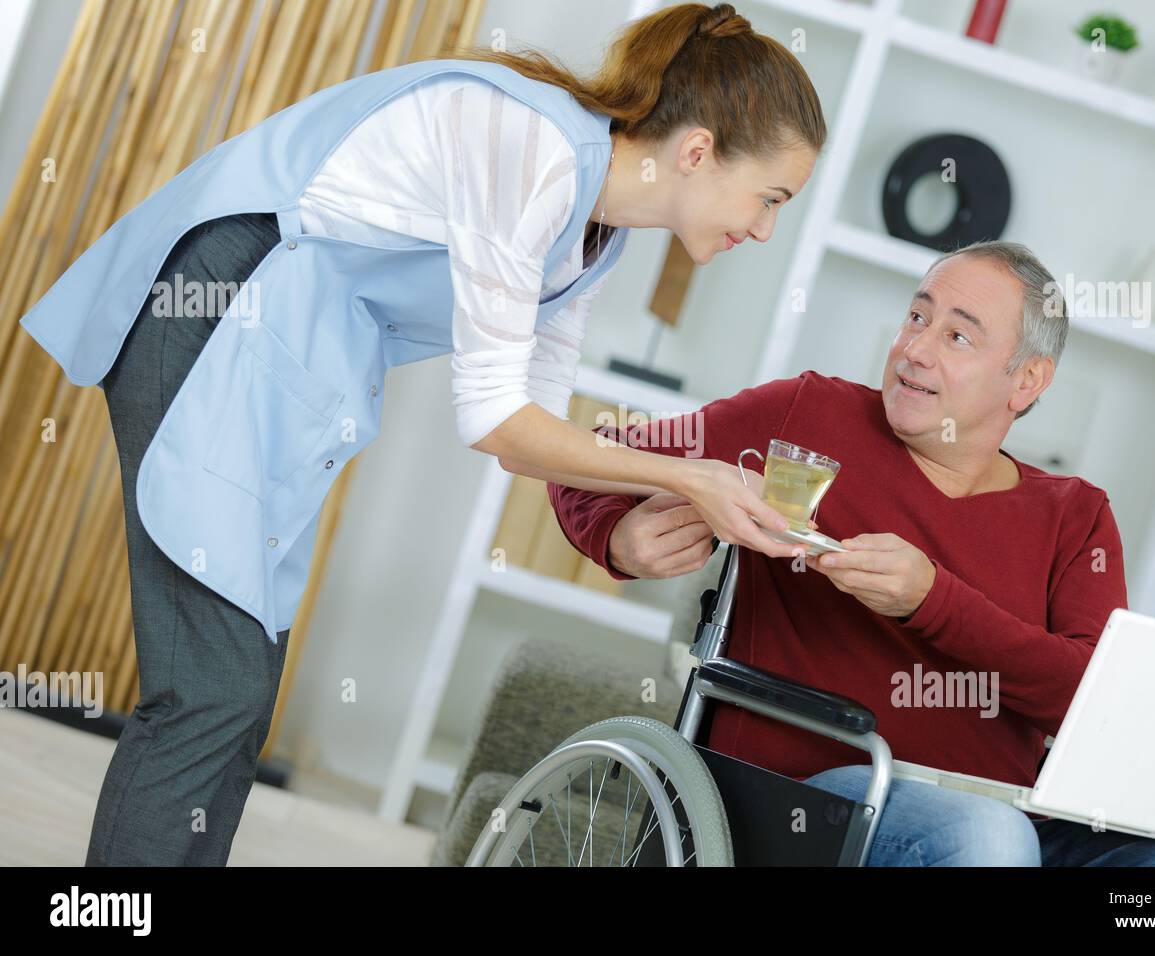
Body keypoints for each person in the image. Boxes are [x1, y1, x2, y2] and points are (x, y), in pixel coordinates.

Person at [18, 2, 824, 865]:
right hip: (217, 311)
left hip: (283, 359)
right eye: (769, 197)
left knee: (240, 696)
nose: (765, 228)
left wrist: (628, 519)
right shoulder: (534, 149)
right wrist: (692, 477)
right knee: (210, 690)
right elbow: (491, 418)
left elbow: (531, 429)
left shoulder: (596, 236)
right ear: (698, 151)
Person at [546, 240, 1155, 866]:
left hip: (1014, 819)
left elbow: (1089, 702)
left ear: (1025, 381)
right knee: (989, 841)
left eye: (958, 336)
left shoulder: (1075, 516)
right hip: (810, 797)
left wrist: (933, 601)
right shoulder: (808, 415)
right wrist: (617, 536)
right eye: (917, 317)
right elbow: (589, 461)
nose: (915, 349)